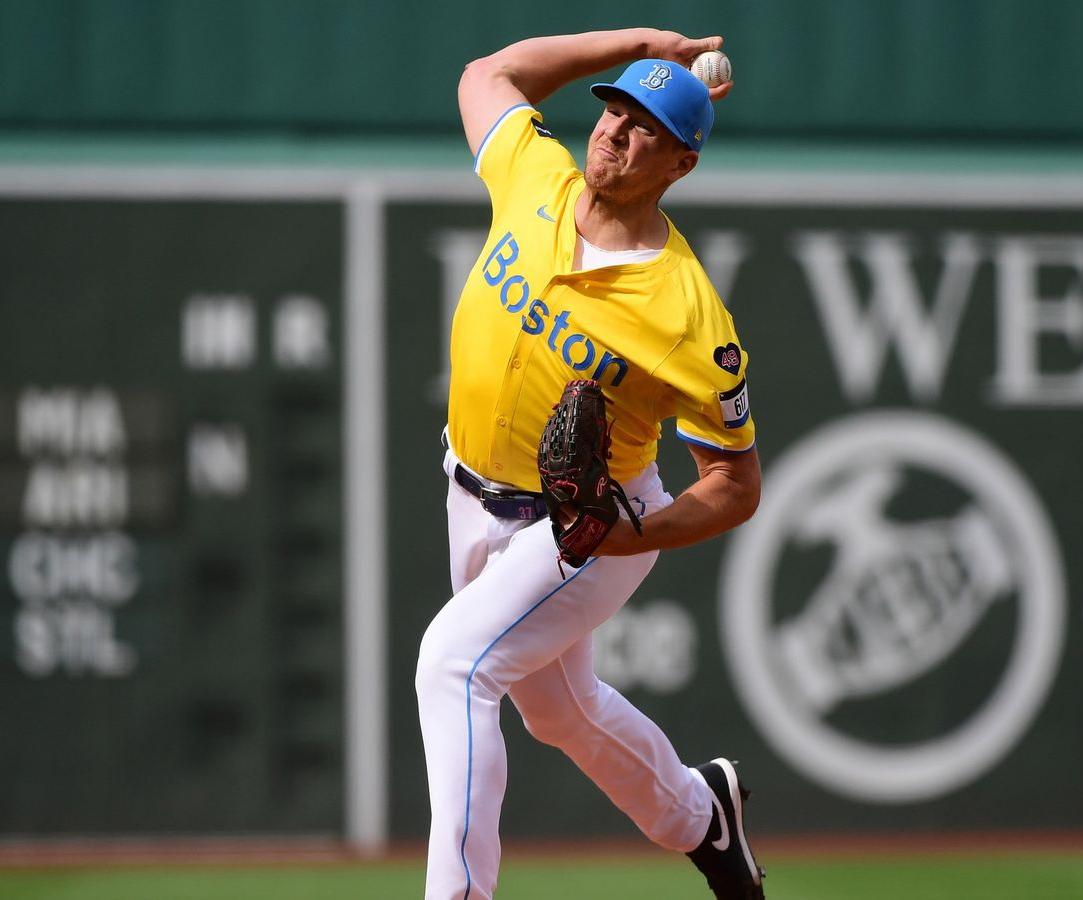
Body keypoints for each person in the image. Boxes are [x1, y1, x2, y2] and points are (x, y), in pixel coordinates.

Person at [415, 27, 765, 900]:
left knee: (453, 664)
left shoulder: (687, 312)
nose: (614, 130)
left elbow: (734, 485)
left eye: (645, 124)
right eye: (613, 108)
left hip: (582, 522)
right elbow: (486, 71)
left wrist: (626, 534)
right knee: (558, 710)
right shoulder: (537, 176)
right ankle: (701, 813)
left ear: (680, 164)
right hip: (470, 489)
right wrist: (638, 42)